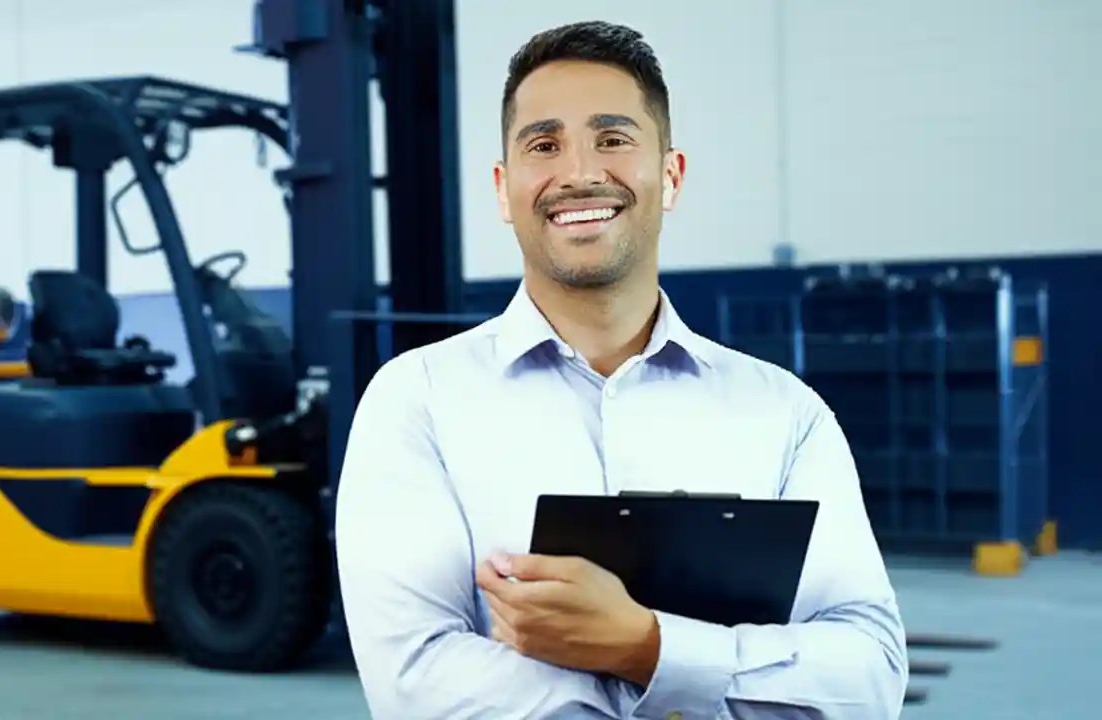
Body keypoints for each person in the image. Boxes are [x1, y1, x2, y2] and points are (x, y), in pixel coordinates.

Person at [334, 19, 907, 720]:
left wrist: (644, 645)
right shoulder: (417, 402)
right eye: (543, 145)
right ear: (503, 187)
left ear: (669, 177)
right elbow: (417, 680)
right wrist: (726, 678)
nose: (577, 173)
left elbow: (869, 674)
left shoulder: (783, 414)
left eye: (613, 138)